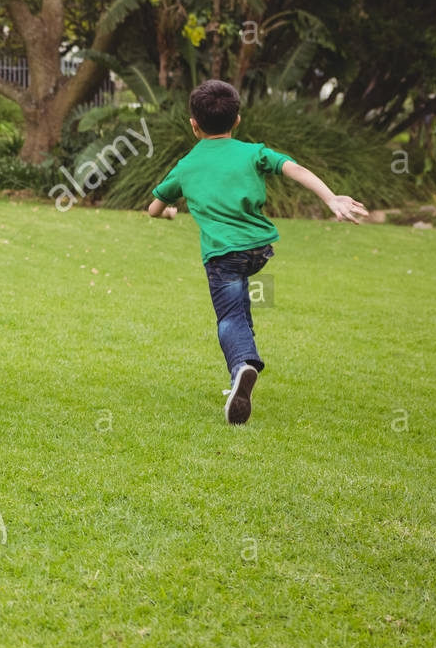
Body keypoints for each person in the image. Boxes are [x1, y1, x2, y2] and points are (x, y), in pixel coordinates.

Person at [148, 79, 367, 424]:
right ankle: (243, 367)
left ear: (193, 124)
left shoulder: (186, 165)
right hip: (258, 250)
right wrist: (330, 198)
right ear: (237, 120)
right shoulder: (253, 152)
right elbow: (293, 168)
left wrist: (170, 211)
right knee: (240, 305)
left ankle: (242, 366)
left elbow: (153, 208)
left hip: (223, 256)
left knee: (229, 317)